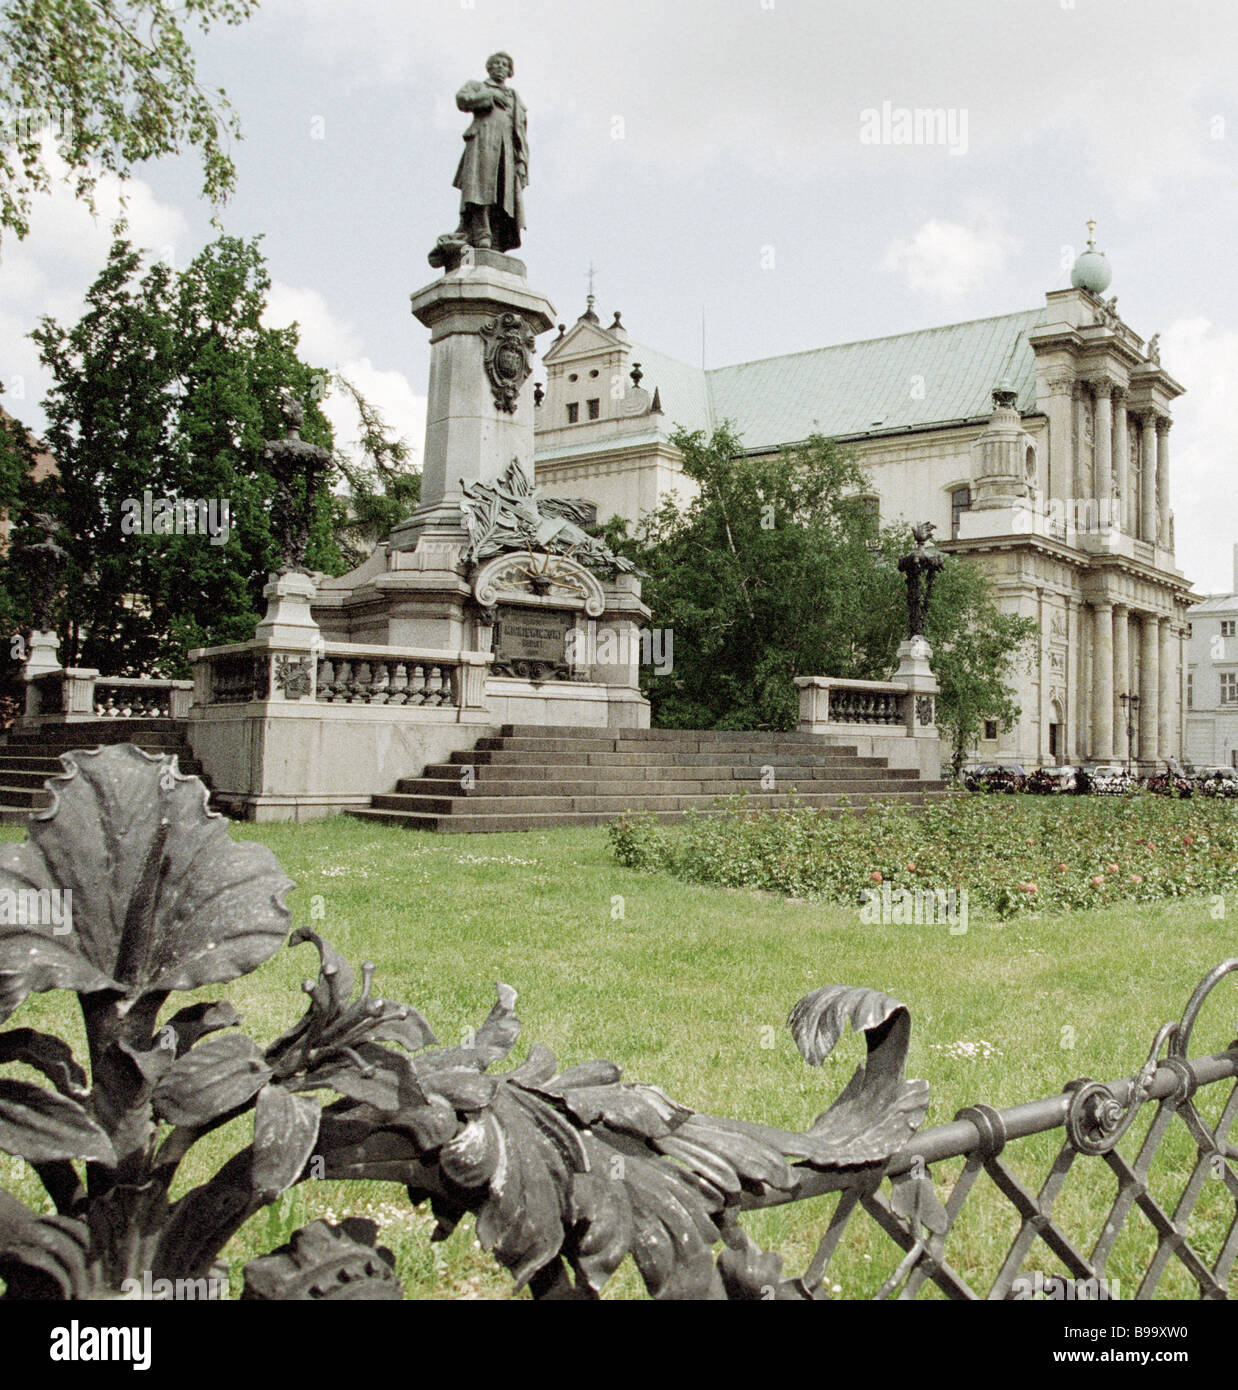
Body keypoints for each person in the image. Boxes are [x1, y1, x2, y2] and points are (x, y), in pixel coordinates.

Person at [452, 52, 528, 252]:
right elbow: (462, 99)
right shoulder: (479, 86)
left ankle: (496, 235)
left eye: (504, 64)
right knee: (480, 189)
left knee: (503, 194)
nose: (500, 66)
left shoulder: (514, 97)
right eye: (495, 63)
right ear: (489, 67)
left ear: (510, 71)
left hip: (507, 150)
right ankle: (481, 231)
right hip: (483, 143)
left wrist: (521, 162)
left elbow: (520, 132)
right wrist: (489, 96)